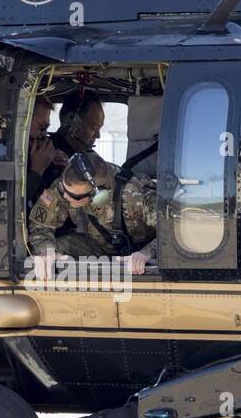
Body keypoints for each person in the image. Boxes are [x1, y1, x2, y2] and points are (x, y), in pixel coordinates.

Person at [28, 153, 156, 279]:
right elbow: (40, 226)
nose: (65, 197)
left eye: (74, 196)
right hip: (99, 247)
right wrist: (46, 251)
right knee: (50, 252)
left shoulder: (135, 195)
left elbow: (172, 230)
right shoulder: (65, 187)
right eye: (64, 190)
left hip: (140, 252)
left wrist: (146, 253)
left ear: (98, 197)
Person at [25, 94, 66, 206]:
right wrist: (37, 170)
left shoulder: (44, 159)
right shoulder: (5, 157)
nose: (43, 134)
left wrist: (60, 172)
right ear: (24, 124)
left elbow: (47, 201)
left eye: (46, 128)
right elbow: (11, 204)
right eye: (41, 127)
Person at [52, 92, 105, 160]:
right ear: (71, 122)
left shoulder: (90, 158)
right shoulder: (45, 156)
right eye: (94, 128)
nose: (98, 136)